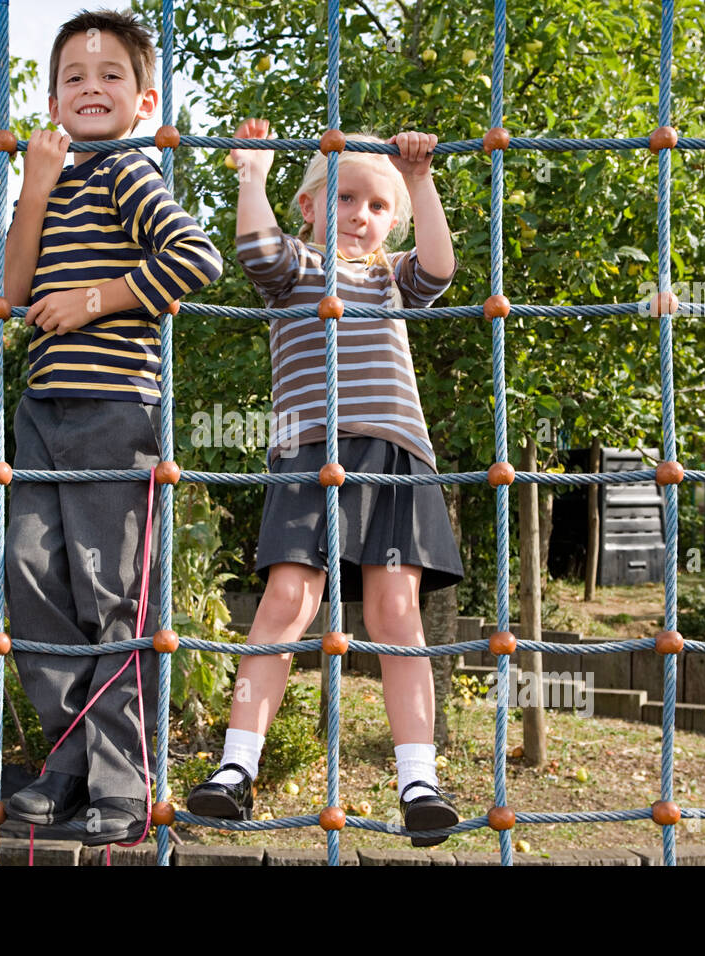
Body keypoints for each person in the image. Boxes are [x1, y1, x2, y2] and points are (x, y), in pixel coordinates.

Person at [185, 118, 465, 847]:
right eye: (343, 199)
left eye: (378, 206)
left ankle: (418, 779)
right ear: (309, 207)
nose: (361, 217)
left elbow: (440, 268)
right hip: (306, 453)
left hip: (394, 454)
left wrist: (421, 178)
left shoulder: (391, 277)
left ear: (394, 220)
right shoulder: (296, 270)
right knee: (287, 599)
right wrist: (252, 174)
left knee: (395, 614)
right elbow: (253, 247)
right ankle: (235, 768)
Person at [0, 9, 223, 847]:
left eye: (110, 76)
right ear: (52, 96)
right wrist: (36, 186)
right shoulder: (60, 177)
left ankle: (121, 782)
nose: (91, 88)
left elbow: (195, 258)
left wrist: (95, 299)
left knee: (110, 594)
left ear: (145, 98)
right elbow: (16, 287)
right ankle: (69, 761)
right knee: (30, 577)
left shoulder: (128, 168)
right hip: (43, 409)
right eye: (73, 77)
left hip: (116, 410)